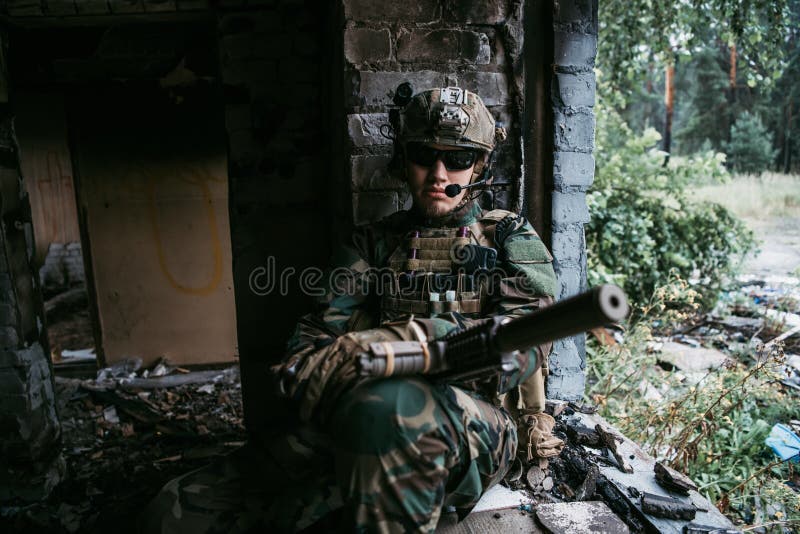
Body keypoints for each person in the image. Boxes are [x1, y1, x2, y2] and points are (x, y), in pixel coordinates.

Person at [141, 86, 563, 534]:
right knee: (174, 510)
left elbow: (524, 341)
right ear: (404, 160)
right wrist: (324, 372)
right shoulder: (373, 243)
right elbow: (310, 344)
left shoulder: (508, 238)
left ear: (479, 165)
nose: (439, 174)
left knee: (389, 410)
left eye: (457, 158)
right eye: (424, 155)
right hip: (361, 411)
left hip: (477, 423)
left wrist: (397, 343)